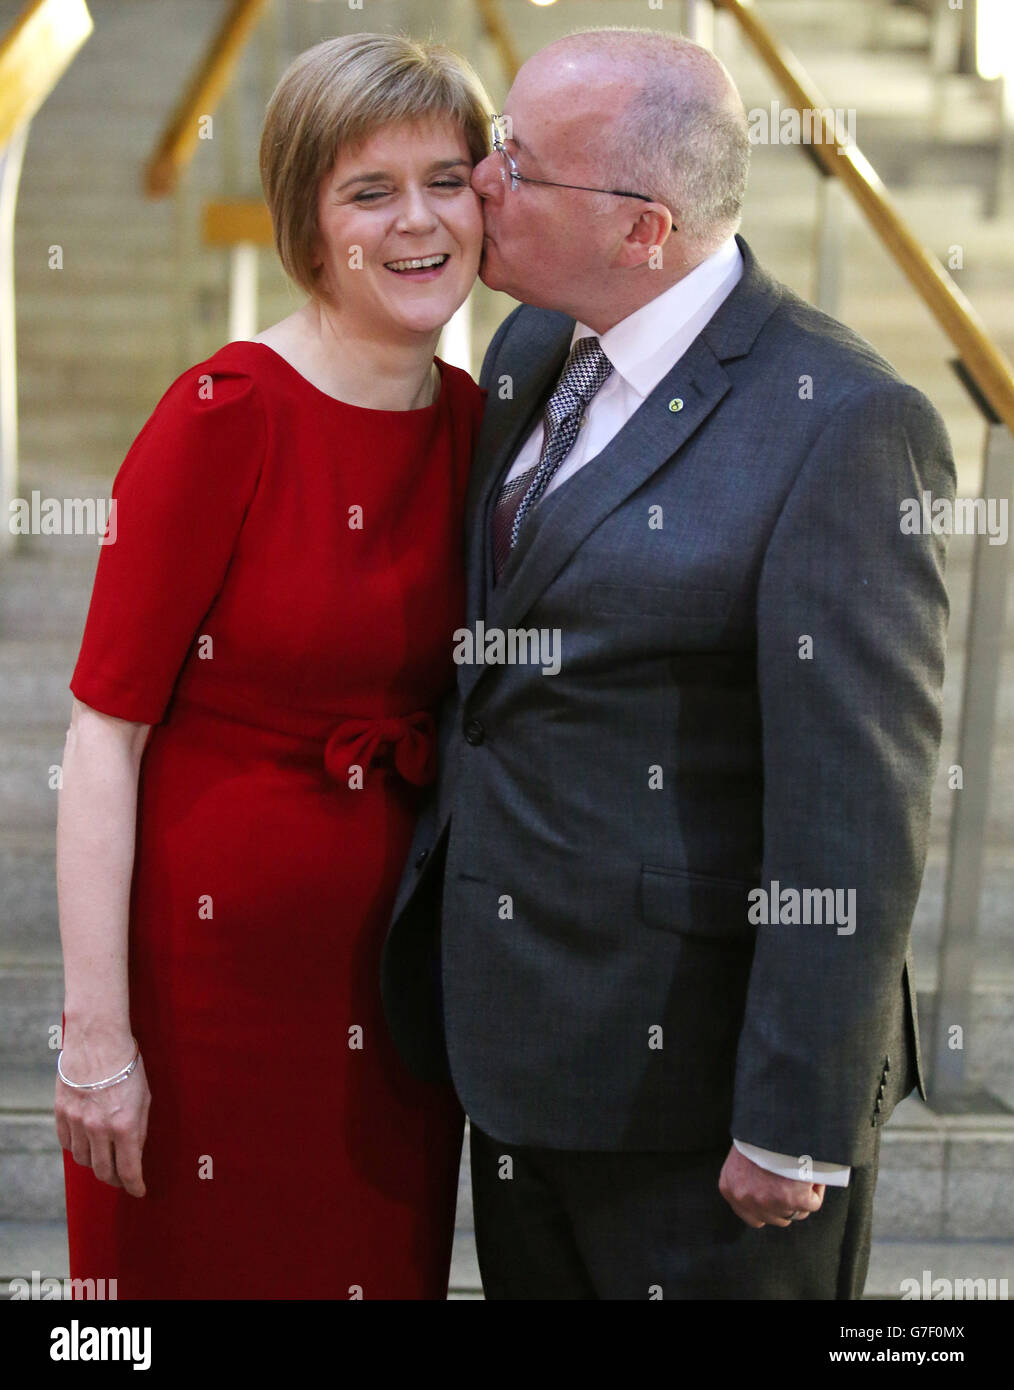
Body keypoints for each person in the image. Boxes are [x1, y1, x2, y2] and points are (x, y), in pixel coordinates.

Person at [381, 27, 956, 1300]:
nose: (477, 184)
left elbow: (855, 804)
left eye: (516, 167)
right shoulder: (531, 350)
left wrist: (794, 1111)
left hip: (705, 1104)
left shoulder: (847, 426)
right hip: (524, 1052)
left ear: (644, 228)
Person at [56, 32, 489, 1299]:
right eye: (370, 189)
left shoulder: (481, 422)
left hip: (396, 1000)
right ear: (307, 220)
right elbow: (102, 735)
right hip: (208, 997)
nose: (418, 220)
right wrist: (95, 1038)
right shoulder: (224, 413)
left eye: (447, 179)